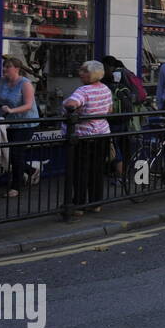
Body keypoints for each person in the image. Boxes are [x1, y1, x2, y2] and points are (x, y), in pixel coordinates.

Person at [0, 56, 40, 198]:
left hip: (26, 123)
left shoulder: (25, 83)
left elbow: (28, 105)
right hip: (10, 122)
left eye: (8, 67)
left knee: (16, 153)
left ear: (17, 69)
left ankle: (16, 187)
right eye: (4, 66)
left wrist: (11, 110)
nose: (4, 69)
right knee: (13, 154)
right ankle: (31, 170)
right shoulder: (2, 82)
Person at [62, 60, 113, 215]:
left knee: (80, 172)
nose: (80, 73)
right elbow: (110, 110)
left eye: (84, 70)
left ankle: (78, 205)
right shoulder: (105, 89)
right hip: (102, 135)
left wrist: (70, 107)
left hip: (83, 137)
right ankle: (96, 203)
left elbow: (71, 104)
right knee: (96, 171)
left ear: (92, 73)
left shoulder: (83, 91)